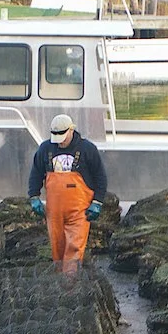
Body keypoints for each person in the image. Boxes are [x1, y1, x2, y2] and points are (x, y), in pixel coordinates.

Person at [27, 114, 107, 276]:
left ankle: (70, 281)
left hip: (79, 211)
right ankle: (59, 278)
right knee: (57, 247)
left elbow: (100, 177)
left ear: (71, 130)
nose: (60, 141)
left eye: (62, 137)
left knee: (74, 247)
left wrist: (97, 202)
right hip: (54, 211)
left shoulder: (87, 149)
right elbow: (36, 173)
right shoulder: (45, 149)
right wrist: (34, 196)